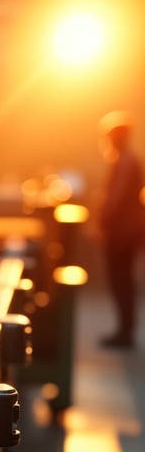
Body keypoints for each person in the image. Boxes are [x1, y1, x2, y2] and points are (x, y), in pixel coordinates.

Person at [97, 111, 144, 348]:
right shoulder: (129, 160)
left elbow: (116, 198)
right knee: (124, 280)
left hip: (121, 233)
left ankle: (125, 332)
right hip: (128, 231)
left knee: (121, 281)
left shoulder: (124, 161)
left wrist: (102, 219)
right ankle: (125, 329)